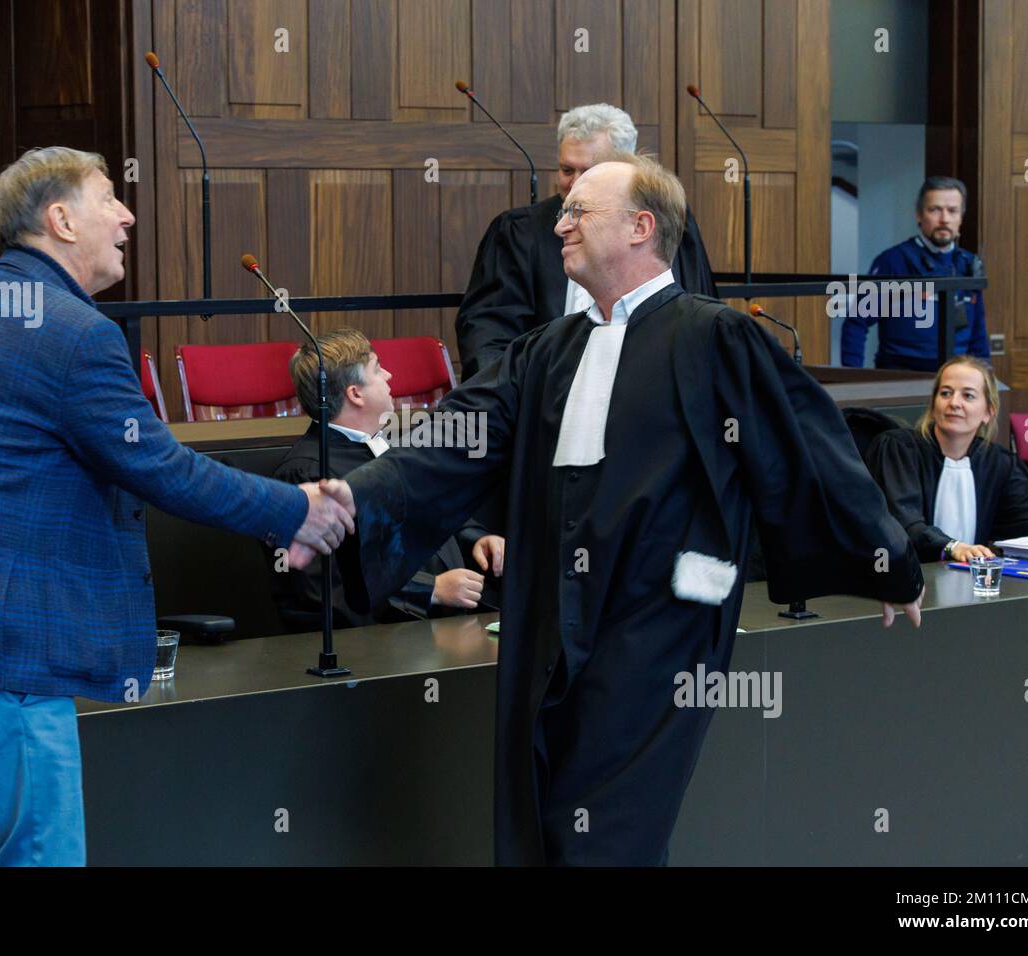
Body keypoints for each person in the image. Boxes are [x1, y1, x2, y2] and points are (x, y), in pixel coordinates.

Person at [339, 152, 924, 866]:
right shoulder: (544, 351)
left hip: (660, 630)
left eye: (578, 211)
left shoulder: (717, 337)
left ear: (642, 227)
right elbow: (448, 445)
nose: (559, 225)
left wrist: (886, 561)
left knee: (607, 833)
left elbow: (810, 452)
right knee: (543, 820)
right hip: (547, 623)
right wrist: (348, 500)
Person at [0, 146, 355, 866]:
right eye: (108, 198)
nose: (128, 213)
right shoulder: (77, 334)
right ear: (61, 220)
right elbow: (165, 470)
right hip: (6, 660)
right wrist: (296, 510)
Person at [455, 103, 716, 379]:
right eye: (567, 170)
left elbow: (699, 314)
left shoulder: (669, 225)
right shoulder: (518, 233)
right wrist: (514, 398)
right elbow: (488, 334)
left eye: (590, 171)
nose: (576, 184)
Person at [269, 329, 505, 629]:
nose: (390, 376)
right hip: (391, 637)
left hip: (454, 619)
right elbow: (323, 587)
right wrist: (429, 590)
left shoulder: (396, 444)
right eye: (378, 369)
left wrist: (478, 538)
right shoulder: (308, 472)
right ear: (356, 393)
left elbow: (436, 506)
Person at [865, 355, 1028, 561]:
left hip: (967, 582)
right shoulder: (898, 449)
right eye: (946, 393)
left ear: (988, 412)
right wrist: (952, 547)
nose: (954, 403)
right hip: (903, 581)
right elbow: (903, 522)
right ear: (933, 404)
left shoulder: (998, 463)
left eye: (968, 395)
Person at [841, 176, 990, 371]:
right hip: (899, 373)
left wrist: (985, 378)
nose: (944, 219)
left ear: (960, 218)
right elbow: (856, 323)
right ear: (919, 215)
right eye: (934, 210)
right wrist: (853, 380)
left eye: (952, 211)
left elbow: (978, 332)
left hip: (955, 375)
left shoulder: (970, 263)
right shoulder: (892, 261)